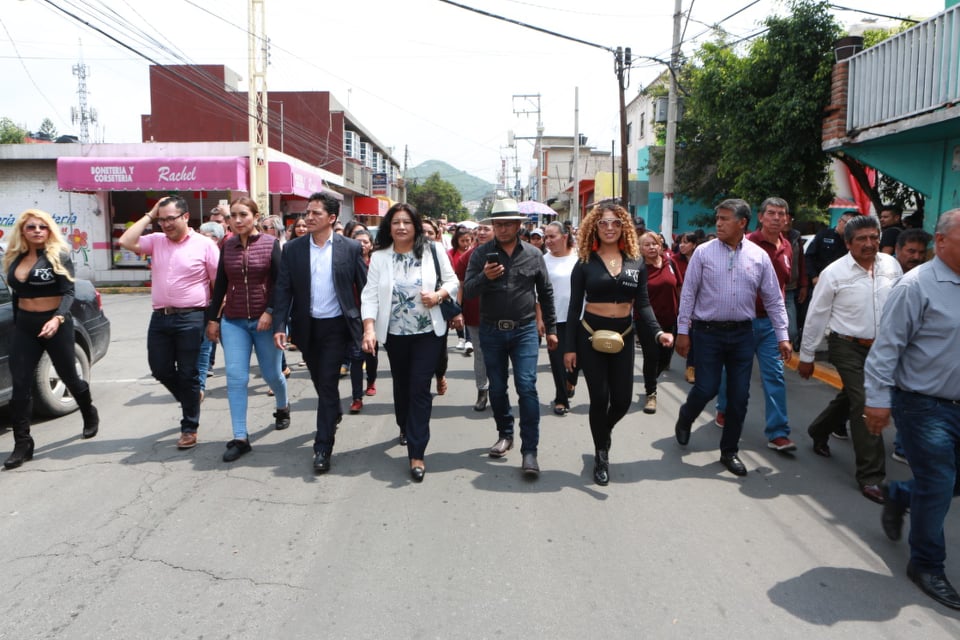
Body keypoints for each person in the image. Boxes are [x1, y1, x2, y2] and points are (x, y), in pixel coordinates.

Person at [863, 208, 960, 611]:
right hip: (923, 405)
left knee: (950, 481)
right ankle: (926, 565)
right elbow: (887, 348)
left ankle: (900, 494)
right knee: (938, 482)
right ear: (941, 242)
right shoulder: (916, 285)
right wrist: (878, 400)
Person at [673, 198, 791, 477]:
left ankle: (729, 452)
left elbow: (774, 299)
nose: (719, 223)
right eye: (718, 218)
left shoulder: (759, 256)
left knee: (740, 397)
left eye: (725, 219)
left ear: (742, 223)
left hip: (742, 334)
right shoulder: (703, 253)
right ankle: (685, 417)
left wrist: (782, 335)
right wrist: (682, 331)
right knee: (707, 387)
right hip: (707, 332)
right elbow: (688, 293)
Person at [564, 205, 671, 485]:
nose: (609, 227)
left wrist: (659, 333)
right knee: (599, 399)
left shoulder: (636, 261)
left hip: (623, 336)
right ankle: (601, 453)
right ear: (594, 228)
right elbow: (574, 308)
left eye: (615, 222)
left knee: (622, 401)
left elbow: (643, 304)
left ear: (624, 227)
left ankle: (603, 429)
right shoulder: (585, 262)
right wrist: (569, 348)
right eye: (603, 223)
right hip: (590, 335)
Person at [798, 215, 902, 502]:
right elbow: (817, 314)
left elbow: (902, 304)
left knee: (851, 396)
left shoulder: (891, 266)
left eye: (874, 237)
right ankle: (871, 475)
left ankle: (819, 429)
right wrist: (807, 355)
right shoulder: (834, 272)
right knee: (865, 402)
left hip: (882, 348)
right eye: (862, 239)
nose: (870, 244)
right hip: (845, 345)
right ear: (848, 243)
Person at [361, 204, 458, 482]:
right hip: (394, 335)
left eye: (406, 222)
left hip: (428, 332)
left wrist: (438, 295)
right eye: (395, 222)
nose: (401, 227)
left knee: (418, 388)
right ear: (388, 227)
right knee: (402, 385)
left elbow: (452, 281)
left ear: (415, 225)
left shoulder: (433, 250)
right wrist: (369, 328)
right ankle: (404, 424)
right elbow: (369, 296)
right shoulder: (380, 257)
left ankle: (417, 452)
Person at [272, 192, 367, 474]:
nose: (308, 217)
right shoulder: (293, 249)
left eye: (315, 213)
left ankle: (322, 446)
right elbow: (283, 289)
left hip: (338, 326)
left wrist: (368, 325)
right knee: (320, 380)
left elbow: (364, 289)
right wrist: (280, 325)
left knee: (327, 382)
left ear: (332, 218)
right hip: (306, 327)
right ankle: (334, 410)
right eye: (307, 212)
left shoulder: (349, 248)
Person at [463, 198, 558, 477]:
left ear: (519, 225)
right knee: (496, 388)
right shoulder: (480, 255)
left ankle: (530, 450)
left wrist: (551, 329)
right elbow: (467, 291)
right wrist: (484, 277)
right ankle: (505, 433)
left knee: (527, 386)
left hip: (525, 329)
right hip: (491, 330)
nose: (502, 229)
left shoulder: (533, 254)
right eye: (497, 223)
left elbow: (546, 293)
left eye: (507, 224)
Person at [119, 196, 220, 449]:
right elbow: (125, 241)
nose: (165, 224)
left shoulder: (205, 245)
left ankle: (189, 428)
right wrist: (150, 215)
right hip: (160, 317)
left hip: (192, 317)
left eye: (170, 218)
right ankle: (192, 398)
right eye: (162, 220)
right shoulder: (156, 242)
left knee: (188, 372)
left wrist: (215, 318)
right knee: (160, 368)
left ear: (186, 217)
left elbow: (218, 284)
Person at [2, 210, 100, 469]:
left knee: (69, 375)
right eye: (31, 226)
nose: (37, 230)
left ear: (49, 231)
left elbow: (68, 292)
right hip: (25, 327)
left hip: (56, 324)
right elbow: (16, 295)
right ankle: (23, 443)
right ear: (23, 230)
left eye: (42, 227)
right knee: (20, 384)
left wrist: (57, 319)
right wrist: (17, 322)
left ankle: (89, 411)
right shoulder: (15, 258)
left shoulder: (59, 256)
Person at [205, 197, 289, 463]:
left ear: (255, 216)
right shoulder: (226, 246)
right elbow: (220, 286)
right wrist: (213, 319)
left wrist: (270, 312)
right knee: (236, 377)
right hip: (234, 321)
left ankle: (282, 405)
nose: (238, 220)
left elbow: (281, 284)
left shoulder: (270, 244)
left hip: (264, 322)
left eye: (243, 214)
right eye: (233, 216)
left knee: (271, 374)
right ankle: (240, 437)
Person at [715, 198, 798, 450]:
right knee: (733, 372)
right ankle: (724, 407)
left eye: (781, 214)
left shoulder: (787, 247)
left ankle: (777, 432)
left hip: (771, 324)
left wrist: (783, 328)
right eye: (771, 213)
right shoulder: (745, 243)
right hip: (742, 322)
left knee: (774, 375)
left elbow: (781, 288)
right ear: (760, 218)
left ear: (786, 219)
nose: (776, 218)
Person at [638, 231, 681, 415]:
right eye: (647, 244)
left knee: (665, 358)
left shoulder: (670, 263)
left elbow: (679, 287)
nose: (652, 247)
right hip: (647, 322)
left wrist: (684, 314)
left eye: (654, 243)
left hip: (670, 319)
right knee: (652, 356)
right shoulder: (638, 268)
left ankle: (651, 379)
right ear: (640, 249)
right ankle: (651, 393)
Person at [542, 221, 579, 416]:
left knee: (577, 360)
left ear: (565, 236)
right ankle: (561, 398)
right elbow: (537, 293)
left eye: (552, 236)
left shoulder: (580, 257)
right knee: (557, 360)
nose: (548, 241)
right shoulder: (543, 260)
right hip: (554, 319)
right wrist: (540, 320)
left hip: (579, 318)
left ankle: (570, 381)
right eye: (546, 237)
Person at [454, 221, 492, 412]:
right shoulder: (468, 256)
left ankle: (499, 390)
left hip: (503, 315)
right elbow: (460, 285)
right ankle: (482, 390)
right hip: (474, 314)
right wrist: (457, 310)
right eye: (480, 229)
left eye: (487, 229)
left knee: (500, 355)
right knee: (480, 354)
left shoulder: (509, 253)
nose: (482, 232)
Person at [346, 227, 378, 413]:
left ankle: (371, 380)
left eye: (365, 241)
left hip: (373, 316)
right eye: (357, 241)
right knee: (356, 355)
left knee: (371, 352)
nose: (361, 245)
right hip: (352, 316)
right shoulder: (344, 262)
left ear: (371, 245)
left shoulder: (376, 263)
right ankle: (357, 396)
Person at [196, 221, 226, 401]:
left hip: (223, 308)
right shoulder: (197, 254)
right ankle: (199, 386)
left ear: (215, 238)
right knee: (203, 347)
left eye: (203, 235)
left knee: (225, 346)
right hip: (203, 307)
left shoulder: (223, 255)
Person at [675, 231, 702, 384]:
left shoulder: (701, 259)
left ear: (694, 245)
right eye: (680, 242)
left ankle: (692, 366)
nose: (682, 245)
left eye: (686, 242)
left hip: (700, 305)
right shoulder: (674, 260)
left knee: (694, 336)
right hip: (681, 304)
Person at [805, 211, 854, 286]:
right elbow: (809, 257)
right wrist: (814, 277)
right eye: (847, 224)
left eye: (852, 226)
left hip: (841, 283)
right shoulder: (824, 235)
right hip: (820, 281)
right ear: (839, 221)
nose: (848, 228)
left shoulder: (851, 241)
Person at [449, 225, 474, 353]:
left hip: (469, 288)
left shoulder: (475, 253)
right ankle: (461, 338)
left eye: (468, 240)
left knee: (469, 312)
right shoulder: (450, 254)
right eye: (462, 241)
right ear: (456, 241)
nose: (465, 243)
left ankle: (469, 340)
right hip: (455, 288)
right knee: (458, 310)